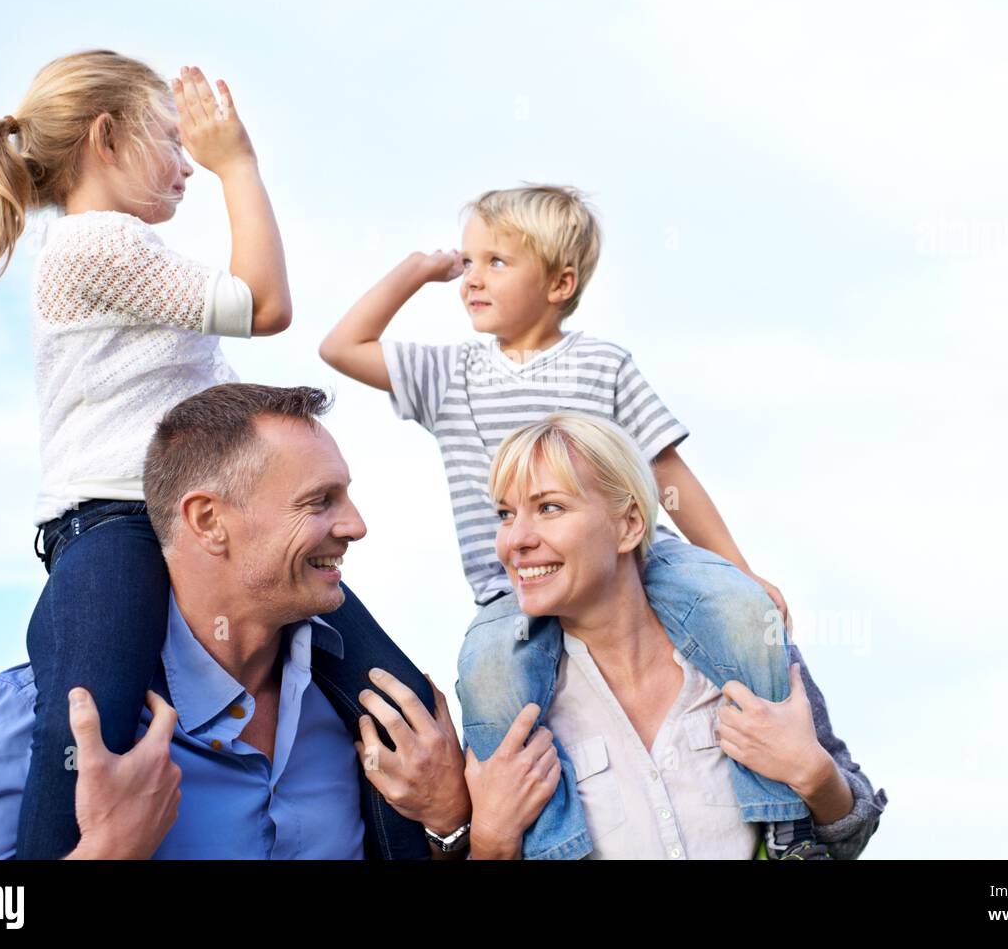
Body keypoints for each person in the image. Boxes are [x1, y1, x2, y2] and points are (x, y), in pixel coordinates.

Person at [319, 184, 821, 859]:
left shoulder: (602, 364)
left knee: (737, 608)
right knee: (488, 668)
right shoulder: (450, 373)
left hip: (639, 564)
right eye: (467, 261)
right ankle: (556, 844)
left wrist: (736, 565)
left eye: (497, 261)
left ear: (560, 282)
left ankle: (781, 817)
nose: (472, 278)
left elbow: (667, 472)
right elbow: (342, 345)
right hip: (511, 586)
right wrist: (417, 269)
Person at [0, 50, 297, 858]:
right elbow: (267, 304)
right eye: (172, 142)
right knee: (87, 731)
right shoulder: (95, 243)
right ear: (106, 138)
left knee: (366, 676)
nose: (187, 165)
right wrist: (236, 164)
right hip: (115, 522)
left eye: (193, 150)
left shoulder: (117, 247)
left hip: (188, 515)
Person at [0, 384, 472, 860]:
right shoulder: (33, 713)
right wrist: (105, 851)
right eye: (319, 501)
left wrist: (448, 824)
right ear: (208, 521)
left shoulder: (359, 715)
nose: (355, 525)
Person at [461, 412, 887, 859]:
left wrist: (815, 775)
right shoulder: (509, 702)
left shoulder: (739, 652)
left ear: (629, 525)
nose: (516, 540)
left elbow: (851, 837)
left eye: (549, 507)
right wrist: (491, 840)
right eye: (506, 514)